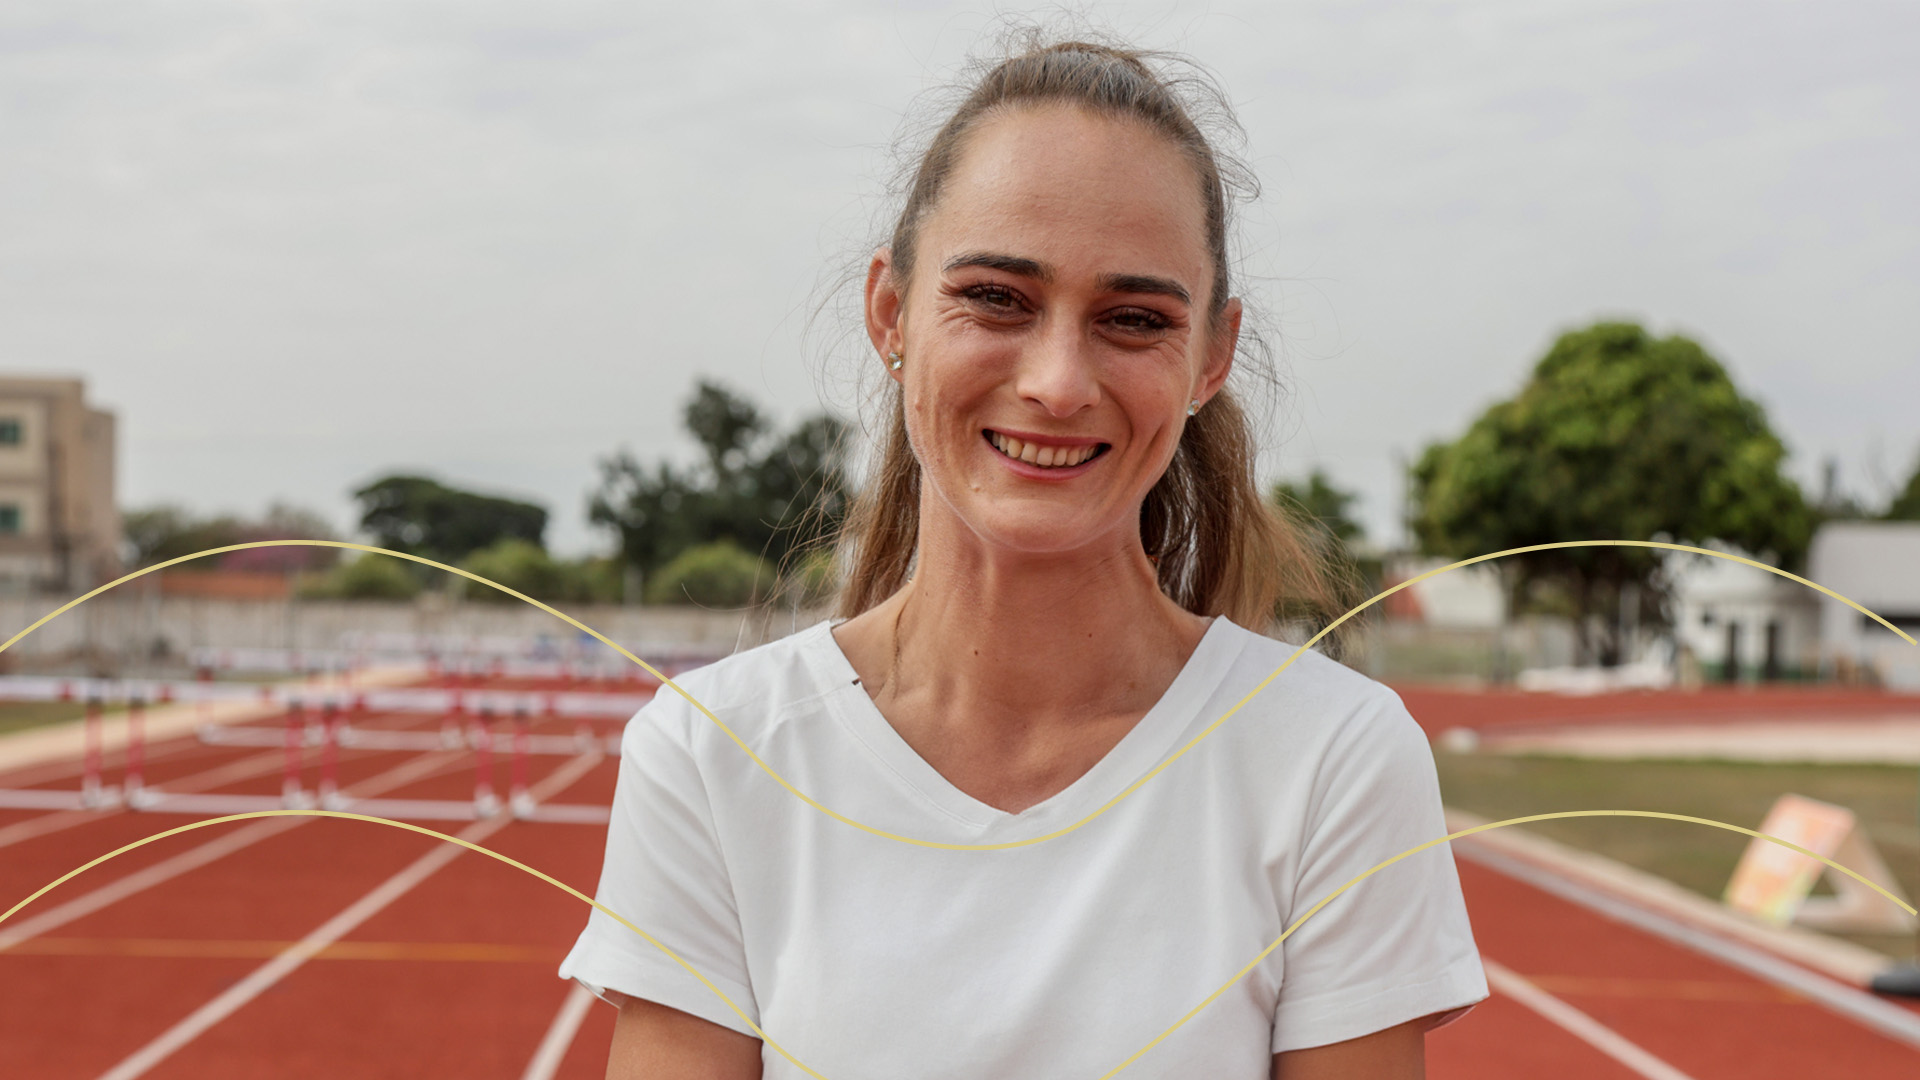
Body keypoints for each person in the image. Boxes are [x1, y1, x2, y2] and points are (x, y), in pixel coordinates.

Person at [561, 34, 1486, 1080]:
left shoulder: (1333, 760)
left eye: (1133, 319)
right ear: (890, 312)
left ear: (1211, 356)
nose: (1056, 380)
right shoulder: (713, 755)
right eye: (997, 297)